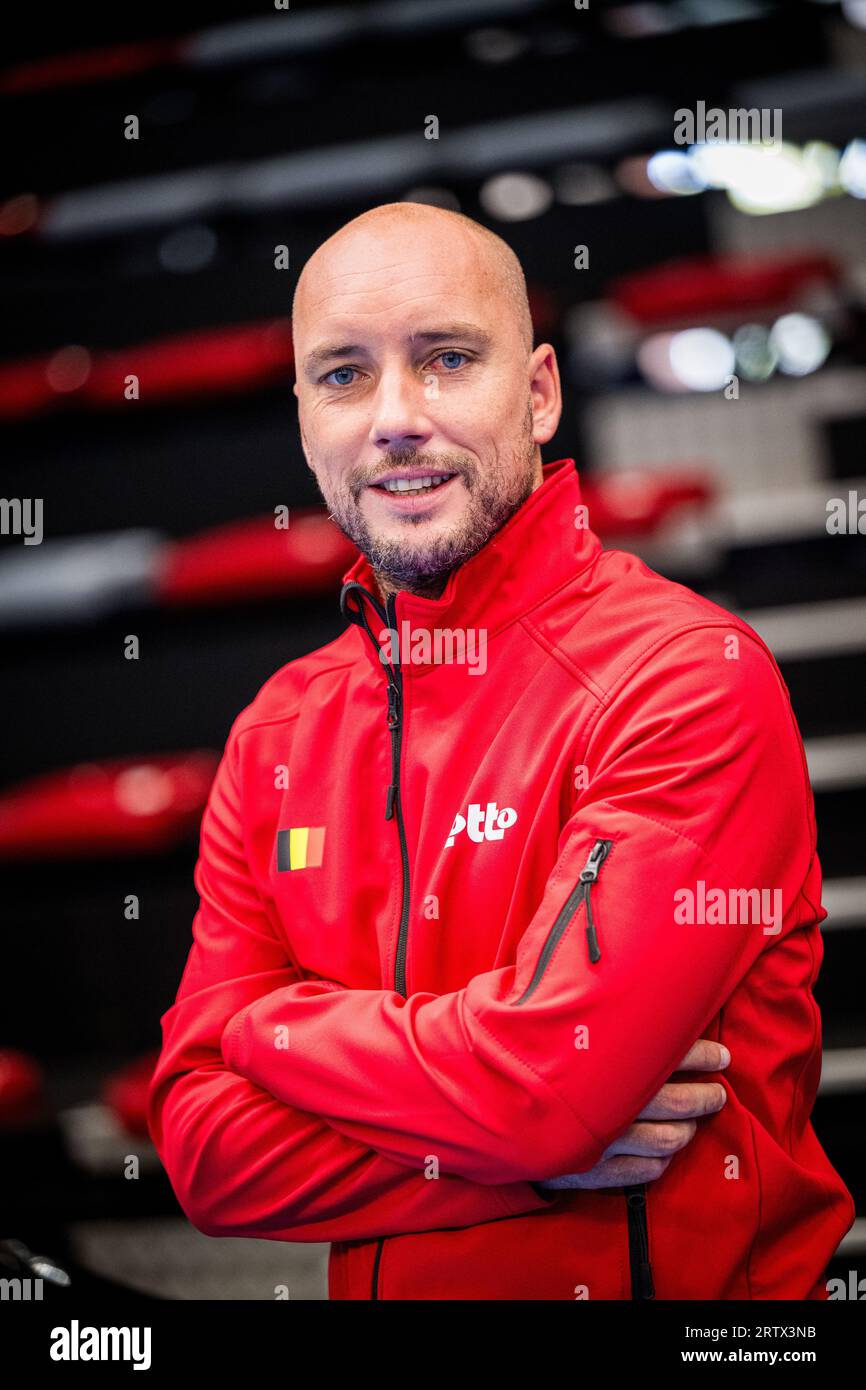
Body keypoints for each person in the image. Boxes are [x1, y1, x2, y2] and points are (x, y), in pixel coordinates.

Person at [147, 202, 854, 1300]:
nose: (393, 418)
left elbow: (547, 1090)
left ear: (537, 392)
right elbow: (203, 1150)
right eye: (342, 375)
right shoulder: (274, 736)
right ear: (301, 419)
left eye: (443, 359)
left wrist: (269, 1029)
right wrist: (528, 1166)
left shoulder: (683, 675)